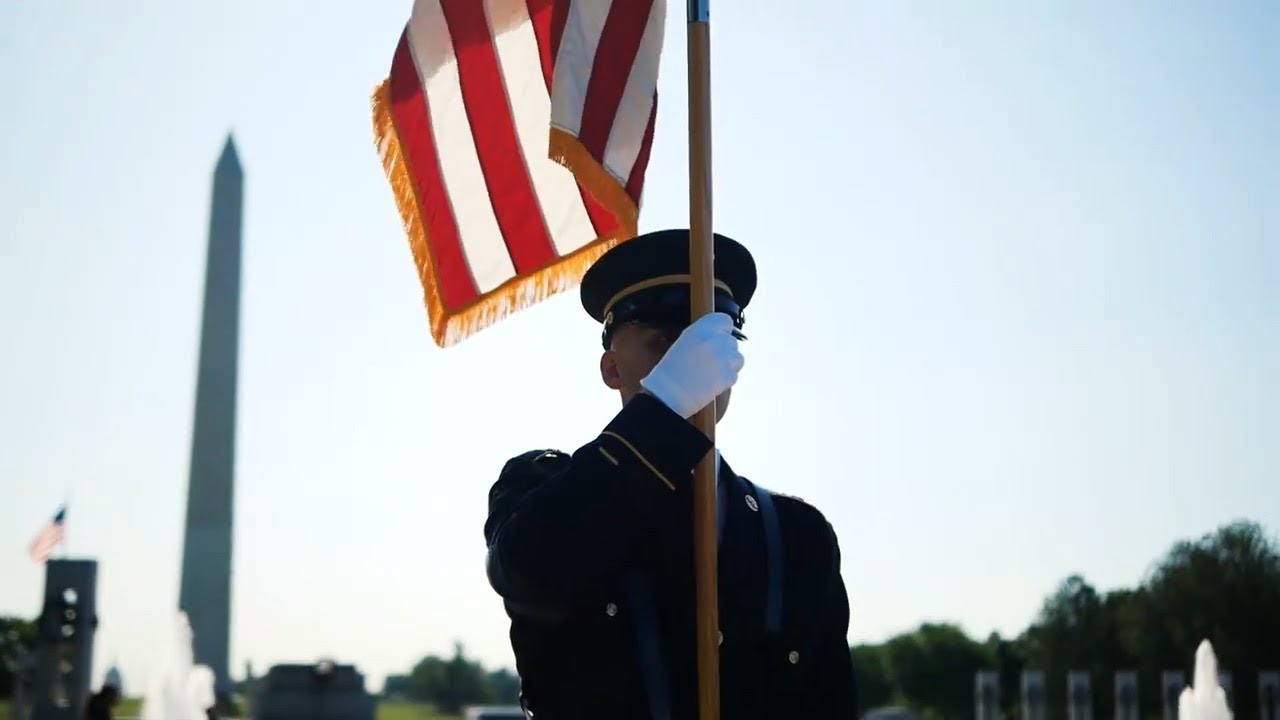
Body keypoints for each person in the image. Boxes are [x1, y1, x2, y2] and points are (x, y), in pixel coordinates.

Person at [483, 229, 858, 718]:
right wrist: (665, 407)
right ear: (612, 369)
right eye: (665, 344)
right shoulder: (539, 487)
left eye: (708, 345)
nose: (695, 365)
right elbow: (531, 571)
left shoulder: (797, 534)